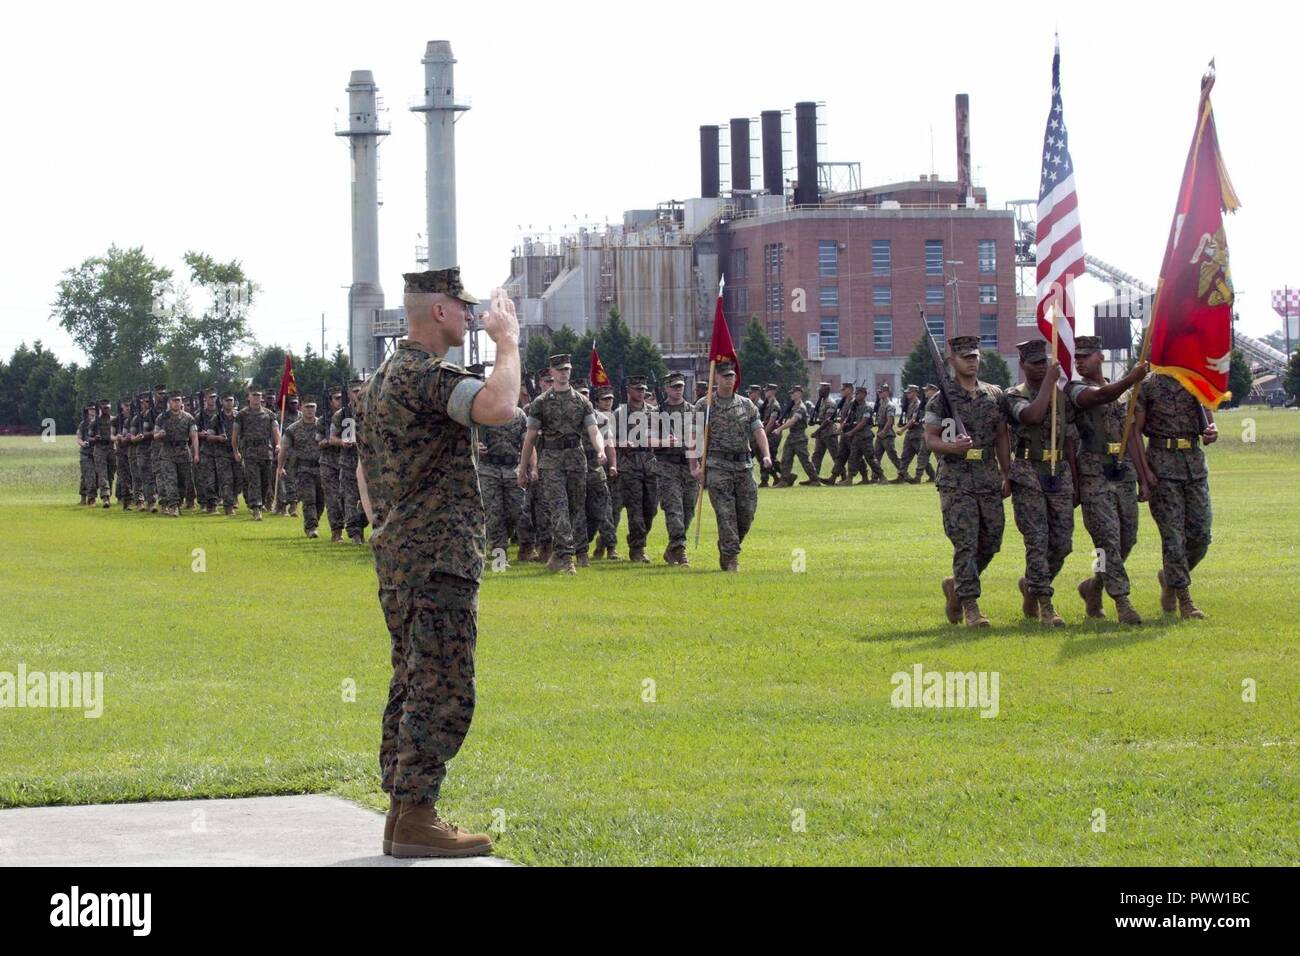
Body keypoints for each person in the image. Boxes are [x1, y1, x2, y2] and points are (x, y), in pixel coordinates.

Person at [354, 268, 519, 859]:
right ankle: (418, 815)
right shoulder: (424, 375)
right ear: (441, 313)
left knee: (412, 677)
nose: (473, 315)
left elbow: (362, 469)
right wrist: (508, 343)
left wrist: (388, 528)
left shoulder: (379, 381)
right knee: (444, 683)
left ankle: (403, 815)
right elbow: (498, 405)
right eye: (464, 306)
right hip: (437, 557)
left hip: (402, 556)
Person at [924, 335, 1011, 628]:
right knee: (966, 542)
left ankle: (957, 587)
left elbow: (1001, 435)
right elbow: (931, 438)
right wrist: (953, 447)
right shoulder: (942, 399)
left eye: (974, 356)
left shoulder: (994, 394)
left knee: (992, 541)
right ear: (952, 361)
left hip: (987, 476)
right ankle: (971, 606)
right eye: (965, 357)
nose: (971, 361)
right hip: (956, 479)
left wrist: (1006, 472)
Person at [1064, 336, 1149, 625]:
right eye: (1077, 357)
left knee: (1128, 538)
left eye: (1086, 356)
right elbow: (1098, 398)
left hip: (1123, 470)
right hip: (1093, 472)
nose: (1080, 361)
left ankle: (1094, 587)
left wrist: (1144, 477)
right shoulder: (1075, 389)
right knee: (1107, 539)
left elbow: (1132, 434)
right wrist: (1131, 378)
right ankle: (1123, 602)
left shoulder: (1123, 391)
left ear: (1100, 357)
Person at [1132, 367, 1218, 620]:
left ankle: (1170, 577)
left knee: (1201, 535)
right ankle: (1184, 600)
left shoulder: (1195, 380)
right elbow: (1135, 432)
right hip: (1162, 467)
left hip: (1194, 466)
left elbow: (1209, 424)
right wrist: (1144, 474)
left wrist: (1213, 431)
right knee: (1173, 538)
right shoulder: (1147, 385)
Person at [1003, 339, 1077, 627]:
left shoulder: (1061, 398)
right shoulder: (1013, 395)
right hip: (1027, 472)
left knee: (1062, 544)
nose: (1041, 367)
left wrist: (1077, 481)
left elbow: (1069, 439)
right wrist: (1048, 383)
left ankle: (1032, 585)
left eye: (1044, 362)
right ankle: (1046, 605)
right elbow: (1032, 416)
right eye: (1034, 363)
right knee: (1037, 540)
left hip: (1058, 471)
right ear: (1022, 365)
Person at [518, 354, 606, 574]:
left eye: (567, 369)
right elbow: (530, 438)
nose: (563, 373)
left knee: (575, 509)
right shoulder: (541, 403)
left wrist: (600, 449)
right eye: (559, 370)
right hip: (552, 461)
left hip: (576, 459)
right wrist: (523, 469)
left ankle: (558, 555)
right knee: (559, 508)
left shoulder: (582, 402)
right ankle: (567, 558)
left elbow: (593, 430)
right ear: (551, 372)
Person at [691, 361, 771, 571]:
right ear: (716, 378)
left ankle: (727, 546)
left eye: (732, 376)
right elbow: (693, 436)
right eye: (725, 376)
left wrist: (766, 455)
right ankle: (731, 557)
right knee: (726, 514)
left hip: (744, 465)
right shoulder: (704, 404)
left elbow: (758, 430)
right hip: (717, 466)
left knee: (746, 512)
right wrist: (695, 466)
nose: (729, 379)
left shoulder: (746, 404)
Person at [608, 376, 658, 562]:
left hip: (650, 465)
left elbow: (663, 436)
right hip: (629, 466)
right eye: (637, 389)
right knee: (635, 510)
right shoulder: (620, 413)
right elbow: (610, 440)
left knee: (651, 509)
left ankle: (638, 540)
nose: (641, 392)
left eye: (643, 389)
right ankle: (638, 548)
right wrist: (623, 443)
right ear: (629, 390)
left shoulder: (654, 412)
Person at [478, 383, 528, 566]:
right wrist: (475, 446)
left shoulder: (520, 415)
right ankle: (500, 556)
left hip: (512, 469)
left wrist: (531, 467)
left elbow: (527, 443)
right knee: (494, 514)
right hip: (488, 470)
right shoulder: (484, 414)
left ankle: (507, 539)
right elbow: (469, 436)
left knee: (517, 512)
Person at [654, 371, 695, 566]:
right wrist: (664, 441)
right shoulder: (656, 413)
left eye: (680, 386)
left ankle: (672, 549)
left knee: (688, 510)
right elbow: (644, 440)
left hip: (689, 467)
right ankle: (680, 551)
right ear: (666, 389)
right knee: (674, 510)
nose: (678, 390)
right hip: (666, 467)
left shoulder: (693, 411)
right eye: (674, 387)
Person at [231, 389, 281, 521]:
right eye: (254, 395)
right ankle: (256, 508)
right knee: (254, 481)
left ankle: (261, 502)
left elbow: (275, 430)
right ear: (249, 397)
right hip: (250, 452)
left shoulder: (269, 414)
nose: (257, 397)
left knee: (265, 481)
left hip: (266, 452)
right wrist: (236, 451)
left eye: (259, 395)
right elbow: (235, 435)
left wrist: (278, 444)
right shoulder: (242, 414)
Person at [279, 396, 326, 538]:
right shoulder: (293, 429)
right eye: (307, 407)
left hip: (322, 468)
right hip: (303, 470)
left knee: (320, 500)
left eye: (312, 407)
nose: (310, 410)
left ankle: (313, 521)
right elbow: (284, 449)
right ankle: (311, 527)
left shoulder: (323, 426)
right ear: (301, 408)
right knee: (309, 498)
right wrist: (280, 467)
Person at [152, 391, 200, 517]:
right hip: (167, 452)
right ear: (169, 402)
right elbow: (155, 435)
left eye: (178, 400)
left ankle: (179, 502)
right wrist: (159, 435)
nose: (176, 403)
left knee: (184, 481)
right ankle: (173, 506)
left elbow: (194, 437)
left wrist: (196, 453)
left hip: (183, 452)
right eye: (174, 400)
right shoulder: (161, 417)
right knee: (170, 480)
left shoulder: (189, 418)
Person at [589, 387, 621, 560]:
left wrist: (612, 465)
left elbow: (609, 446)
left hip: (599, 469)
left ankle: (609, 546)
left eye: (610, 398)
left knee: (607, 509)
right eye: (604, 399)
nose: (608, 402)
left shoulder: (603, 420)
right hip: (576, 469)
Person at [772, 384, 820, 486]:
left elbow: (793, 421)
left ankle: (815, 480)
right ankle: (784, 480)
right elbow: (789, 419)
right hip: (792, 436)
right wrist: (781, 423)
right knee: (786, 459)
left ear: (799, 393)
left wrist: (779, 429)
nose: (791, 395)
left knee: (804, 460)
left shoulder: (801, 407)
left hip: (799, 438)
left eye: (793, 393)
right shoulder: (793, 406)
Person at [319, 389, 344, 540]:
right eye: (336, 398)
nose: (339, 401)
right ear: (330, 401)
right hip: (329, 462)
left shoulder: (348, 417)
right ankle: (336, 531)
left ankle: (356, 529)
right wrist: (326, 441)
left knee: (347, 498)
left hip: (347, 462)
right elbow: (318, 440)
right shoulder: (323, 420)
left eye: (341, 398)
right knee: (332, 498)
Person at [895, 384, 932, 484]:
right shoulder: (910, 404)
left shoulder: (917, 404)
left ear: (915, 392)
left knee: (921, 455)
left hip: (917, 433)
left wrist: (902, 429)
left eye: (910, 392)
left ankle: (932, 475)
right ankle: (901, 475)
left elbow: (913, 420)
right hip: (911, 433)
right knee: (905, 455)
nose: (907, 394)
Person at [809, 382, 840, 479]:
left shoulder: (830, 403)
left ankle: (843, 476)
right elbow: (822, 418)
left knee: (836, 456)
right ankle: (814, 478)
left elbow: (828, 420)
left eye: (821, 389)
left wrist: (817, 431)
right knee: (816, 456)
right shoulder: (822, 402)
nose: (819, 391)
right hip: (822, 434)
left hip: (829, 433)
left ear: (827, 391)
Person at [873, 384, 902, 480]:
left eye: (881, 392)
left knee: (893, 456)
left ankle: (903, 475)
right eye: (878, 392)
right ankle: (875, 476)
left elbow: (890, 421)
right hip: (880, 432)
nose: (879, 394)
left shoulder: (890, 405)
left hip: (887, 434)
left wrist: (884, 432)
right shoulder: (881, 403)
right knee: (876, 456)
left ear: (886, 392)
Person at [757, 383, 783, 487]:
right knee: (770, 457)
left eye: (767, 391)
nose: (765, 392)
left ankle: (765, 480)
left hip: (773, 434)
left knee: (767, 456)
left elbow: (771, 422)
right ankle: (783, 476)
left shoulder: (775, 405)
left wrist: (764, 434)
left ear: (773, 391)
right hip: (769, 434)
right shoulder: (767, 405)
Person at [112, 397, 134, 509]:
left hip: (133, 450)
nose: (128, 408)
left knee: (134, 476)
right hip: (121, 450)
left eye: (130, 405)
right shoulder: (116, 420)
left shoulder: (135, 418)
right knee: (124, 476)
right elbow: (112, 435)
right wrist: (117, 437)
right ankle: (127, 500)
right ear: (122, 407)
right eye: (126, 406)